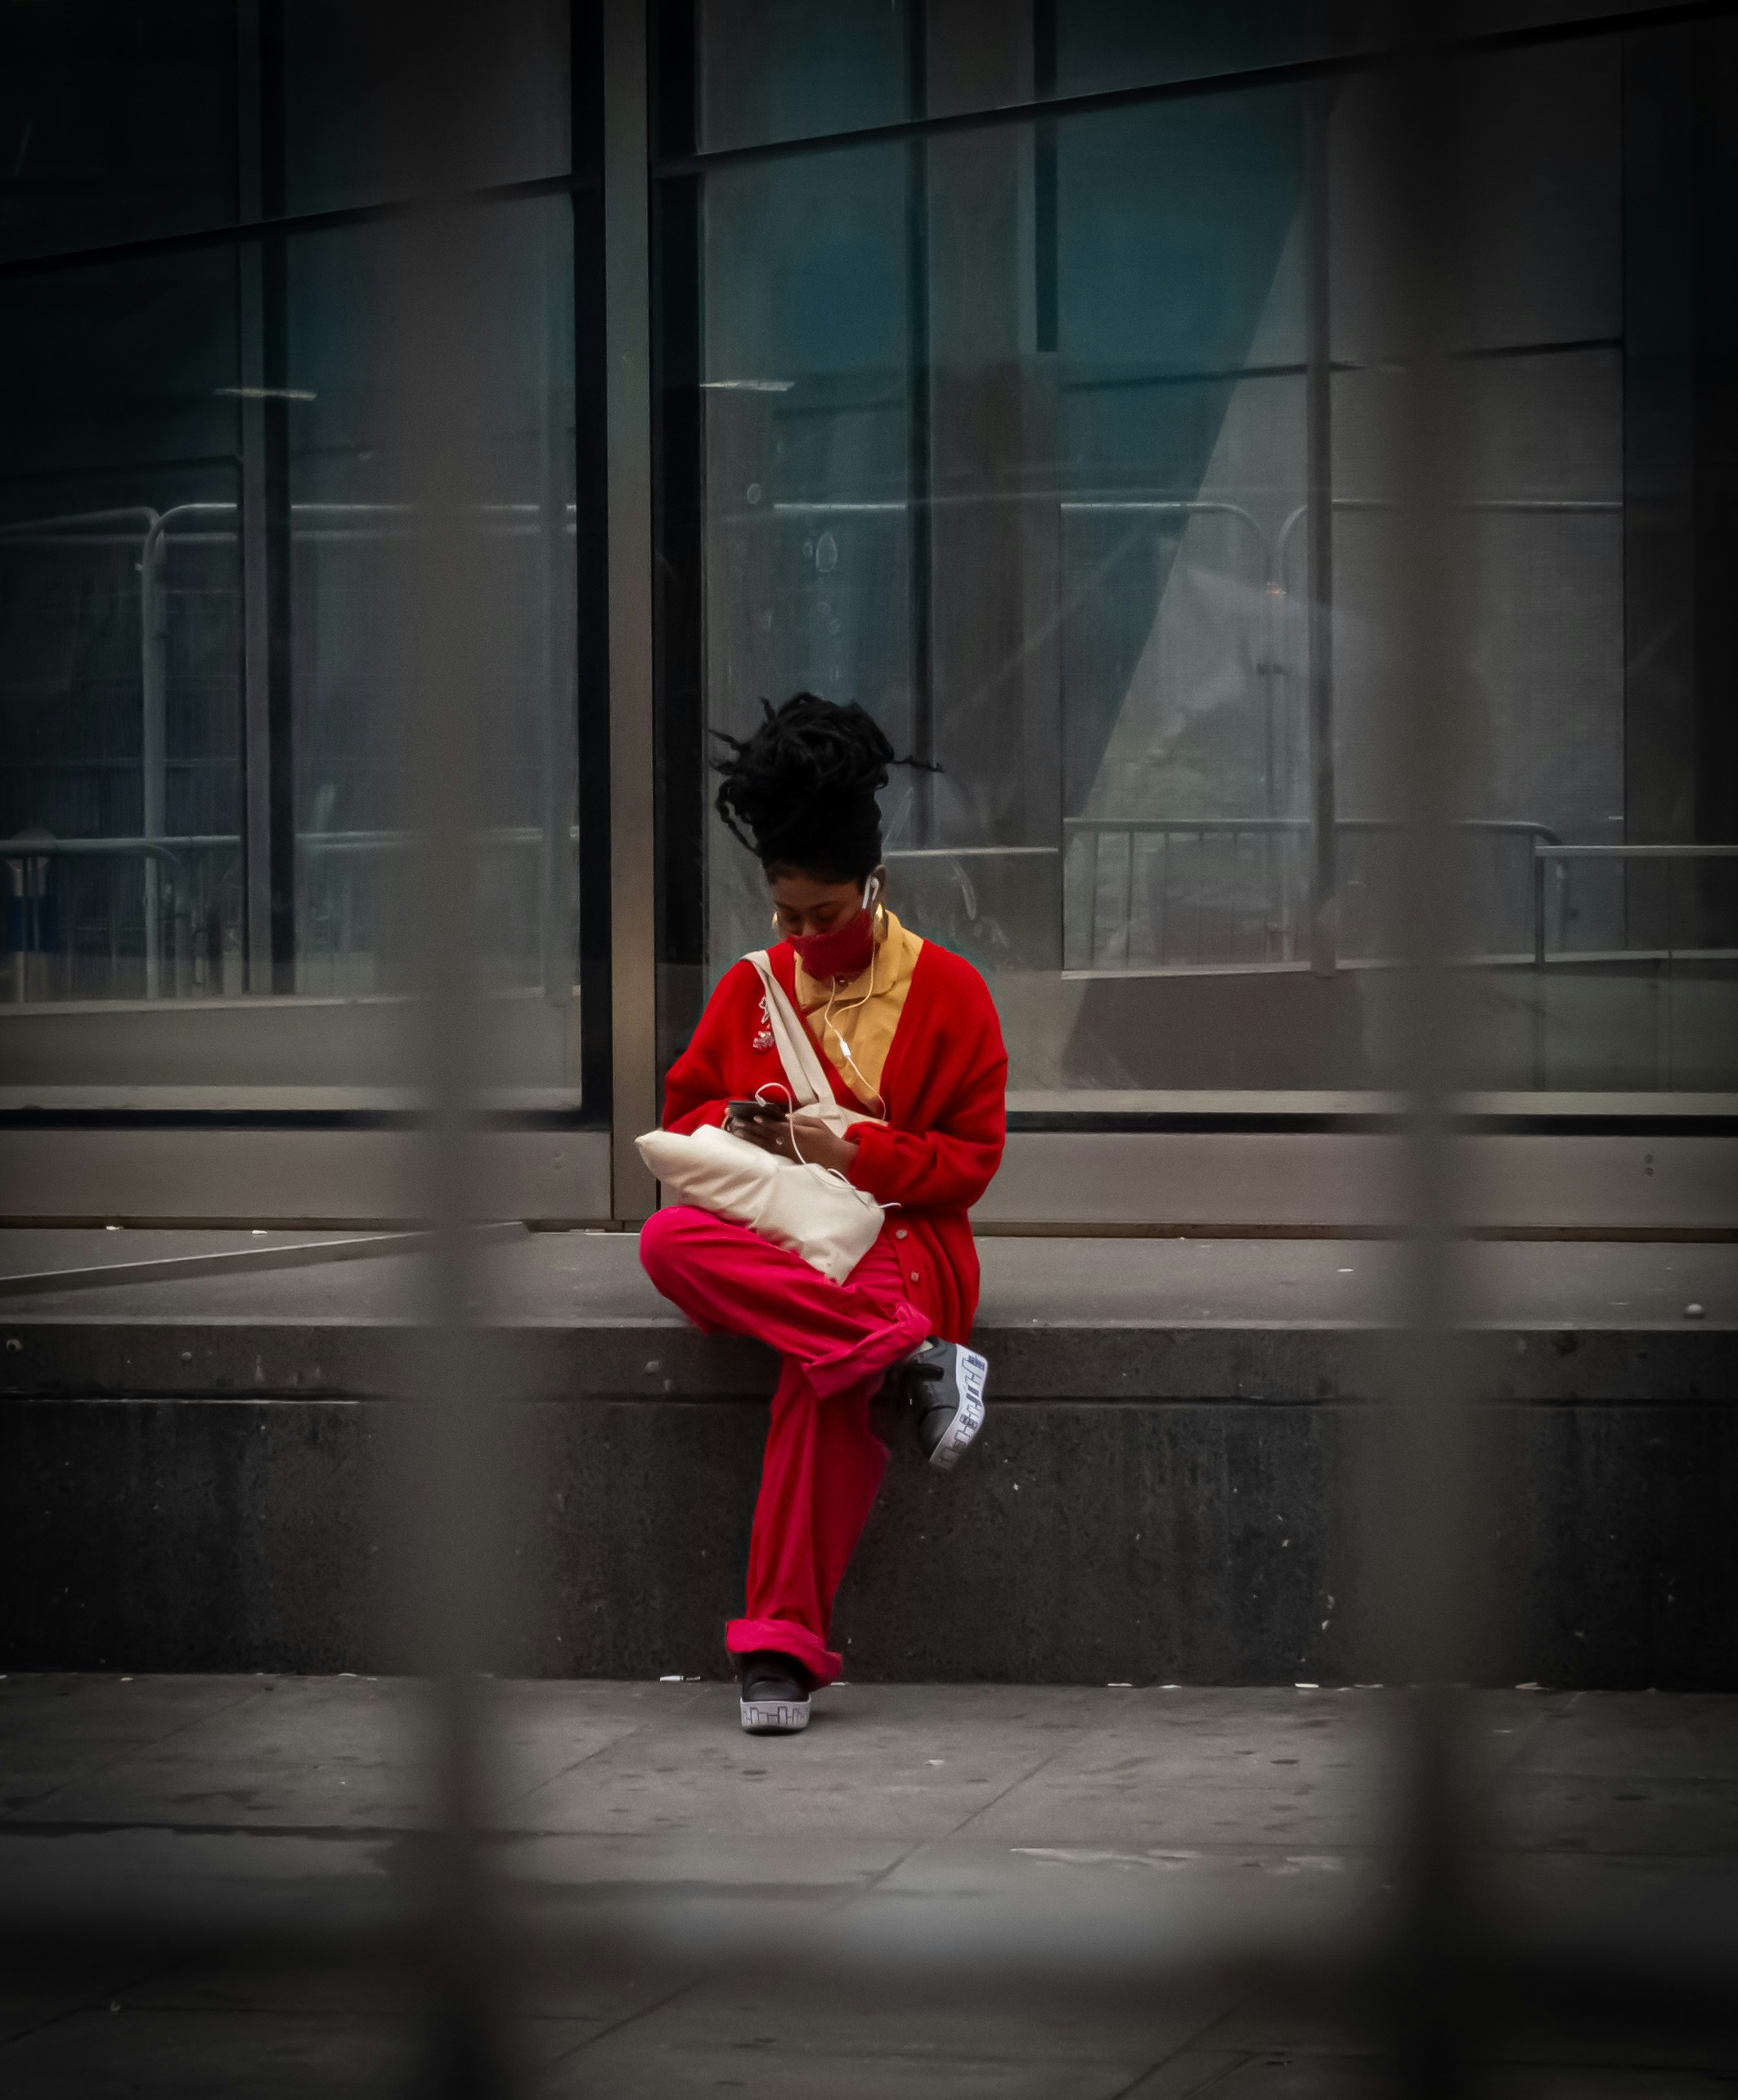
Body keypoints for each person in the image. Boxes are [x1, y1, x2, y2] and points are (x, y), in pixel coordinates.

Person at [638, 693, 1008, 1736]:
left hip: (901, 1236)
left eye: (825, 915)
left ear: (872, 884)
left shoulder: (950, 993)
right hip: (784, 1239)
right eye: (786, 916)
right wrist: (747, 1124)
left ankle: (778, 1648)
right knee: (666, 1240)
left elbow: (969, 1164)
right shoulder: (750, 988)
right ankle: (912, 1358)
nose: (803, 936)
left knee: (819, 1374)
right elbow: (684, 1117)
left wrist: (855, 1149)